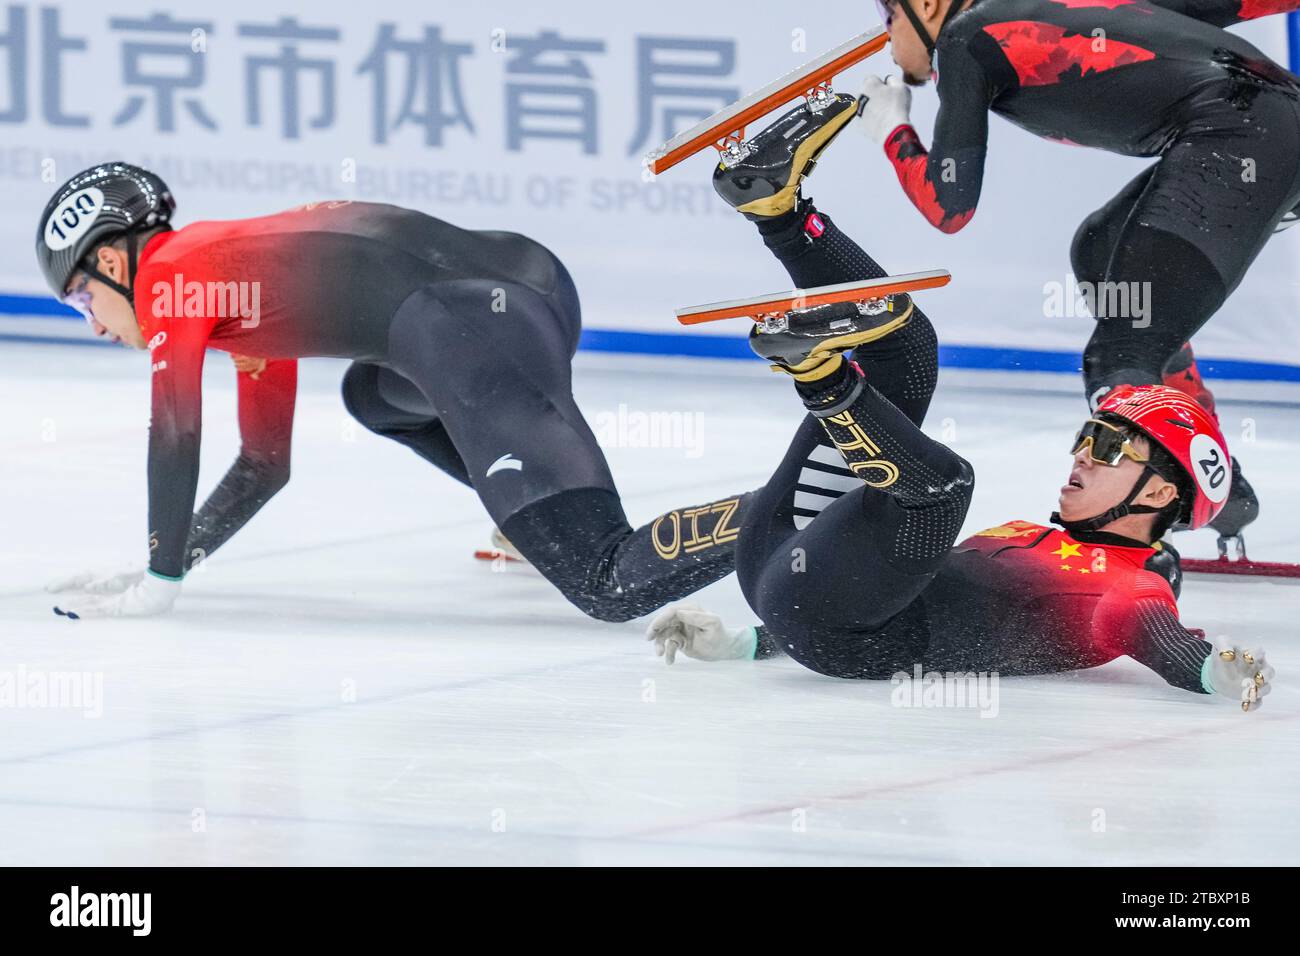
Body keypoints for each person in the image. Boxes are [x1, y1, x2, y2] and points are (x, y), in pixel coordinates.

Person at [646, 102, 1273, 710]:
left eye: (1109, 447)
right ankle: (777, 209)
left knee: (946, 484)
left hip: (828, 624)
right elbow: (889, 578)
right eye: (1087, 437)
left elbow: (1165, 644)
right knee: (910, 351)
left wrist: (1218, 672)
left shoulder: (1131, 587)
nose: (1081, 456)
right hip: (779, 571)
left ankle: (820, 371)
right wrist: (745, 642)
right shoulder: (1031, 534)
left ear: (1162, 496)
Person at [36, 163, 752, 620]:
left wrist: (157, 585)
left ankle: (780, 504)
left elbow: (174, 430)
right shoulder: (227, 282)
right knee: (374, 395)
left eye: (80, 301)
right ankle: (529, 515)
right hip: (521, 283)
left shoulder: (169, 279)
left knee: (604, 579)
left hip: (468, 324)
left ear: (108, 259)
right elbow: (264, 464)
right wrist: (171, 557)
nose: (93, 325)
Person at [852, 0, 1300, 544]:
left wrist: (891, 130)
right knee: (1098, 252)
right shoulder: (1048, 8)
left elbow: (949, 205)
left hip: (1240, 135)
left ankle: (1133, 541)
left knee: (1118, 358)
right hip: (1262, 127)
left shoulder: (967, 38)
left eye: (888, 20)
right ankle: (1215, 479)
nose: (887, 40)